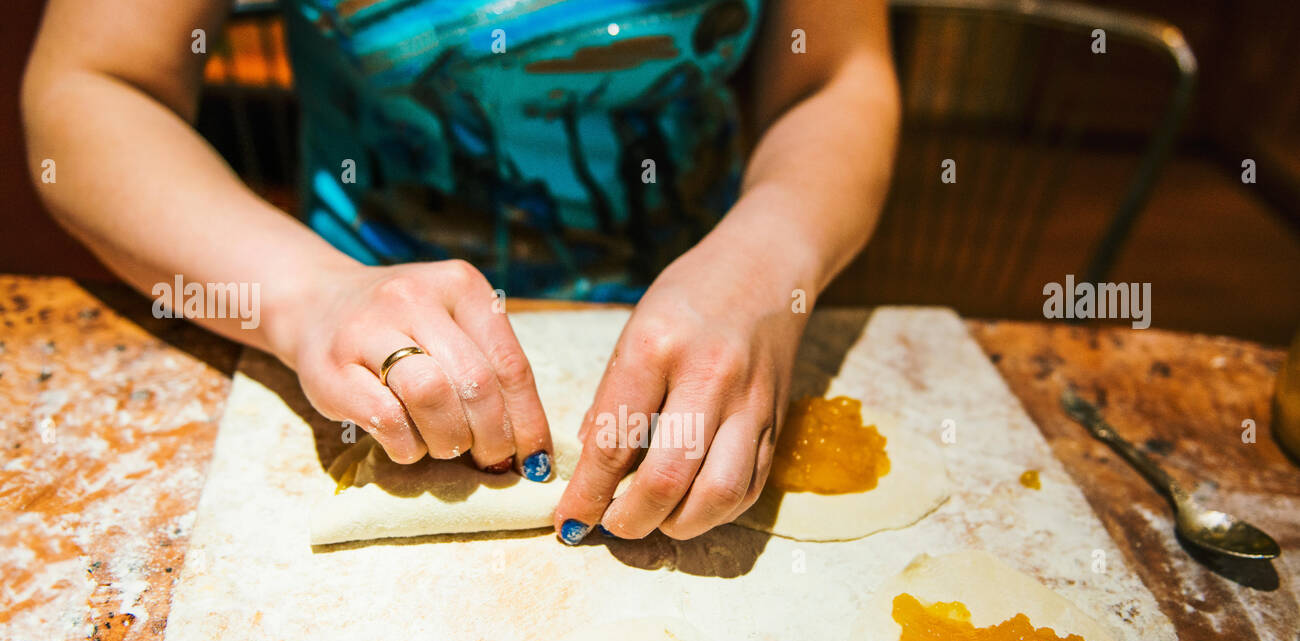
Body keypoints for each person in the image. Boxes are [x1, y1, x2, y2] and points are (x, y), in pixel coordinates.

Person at [22, 0, 899, 543]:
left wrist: (764, 266)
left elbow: (836, 77)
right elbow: (93, 87)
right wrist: (306, 294)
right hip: (361, 342)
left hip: (709, 330)